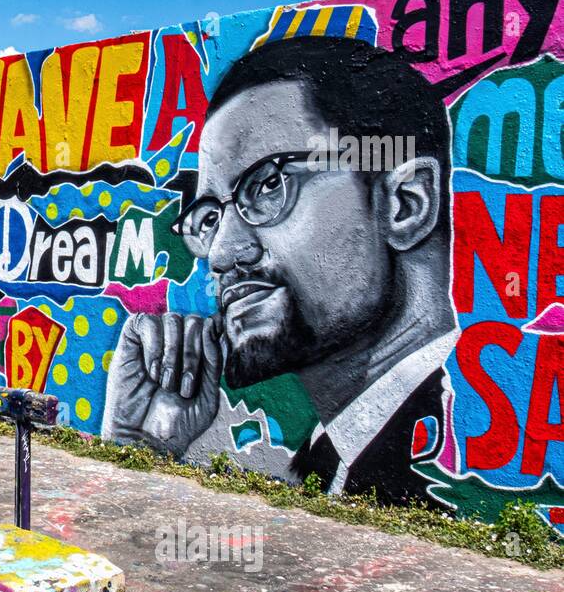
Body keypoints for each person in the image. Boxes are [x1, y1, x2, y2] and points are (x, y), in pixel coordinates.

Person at [100, 35, 455, 505]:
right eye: (210, 216)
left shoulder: (443, 468)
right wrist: (142, 445)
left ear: (405, 204)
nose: (222, 253)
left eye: (268, 185)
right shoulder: (335, 455)